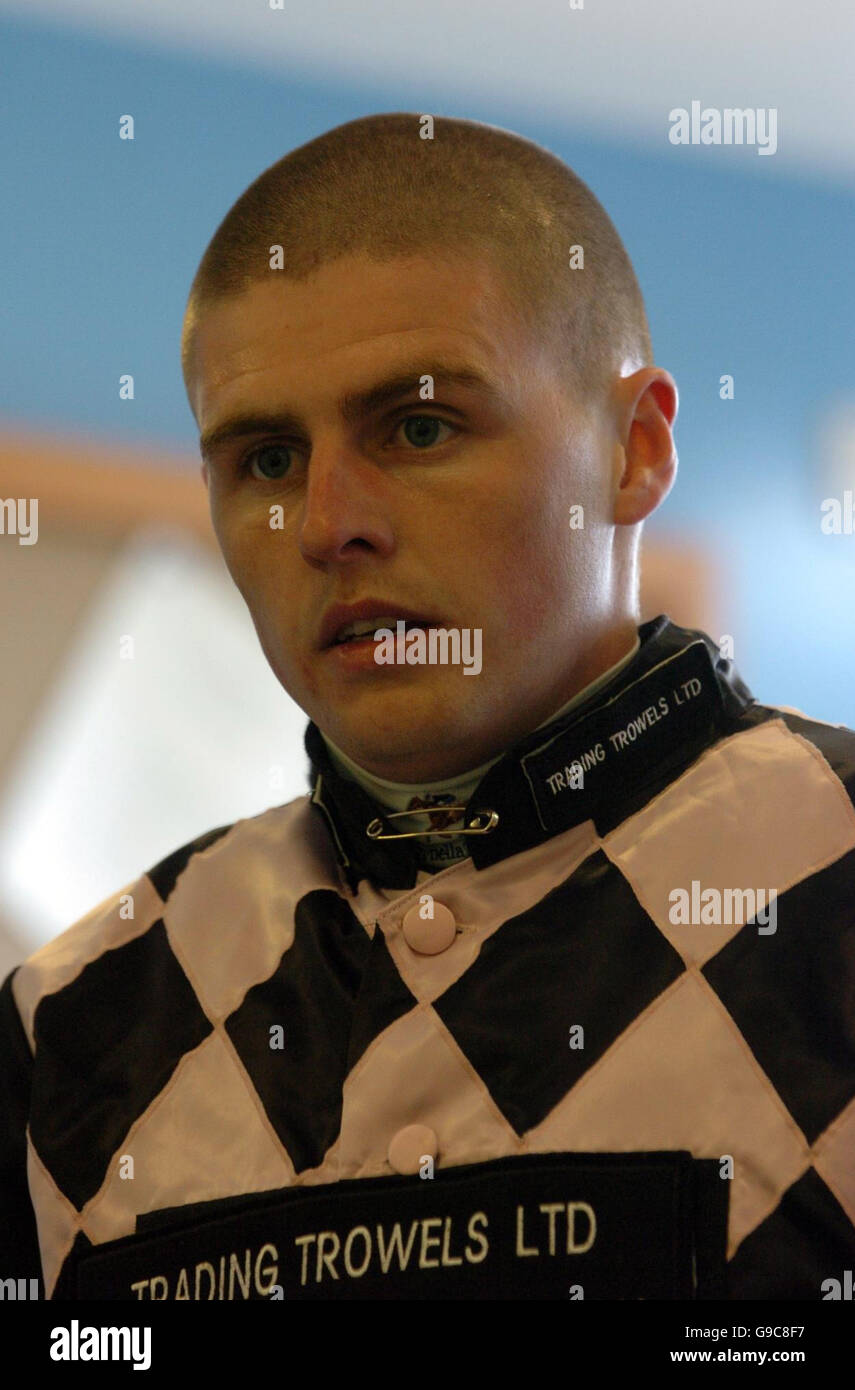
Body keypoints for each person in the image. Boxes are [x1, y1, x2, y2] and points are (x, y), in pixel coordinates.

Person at [1, 113, 853, 1302]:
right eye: (263, 459)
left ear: (636, 450)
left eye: (418, 426)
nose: (327, 522)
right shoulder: (70, 1022)